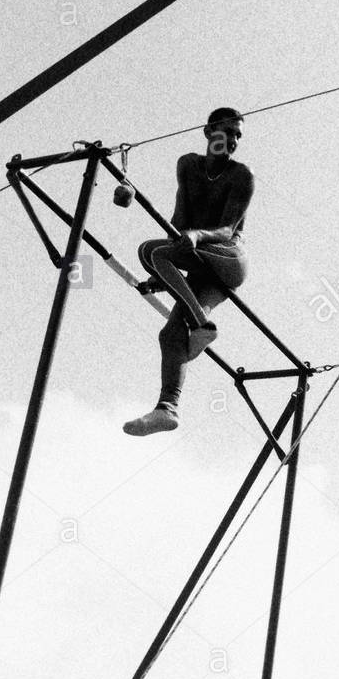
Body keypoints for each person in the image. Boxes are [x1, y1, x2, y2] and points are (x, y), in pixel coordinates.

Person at [123, 107, 254, 436]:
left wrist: (195, 236)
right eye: (227, 132)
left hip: (227, 260)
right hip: (199, 267)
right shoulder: (188, 165)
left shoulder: (242, 175)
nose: (233, 140)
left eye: (238, 134)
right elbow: (179, 222)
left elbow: (226, 229)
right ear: (209, 132)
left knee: (149, 250)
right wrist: (161, 273)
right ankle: (168, 409)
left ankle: (202, 323)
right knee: (171, 334)